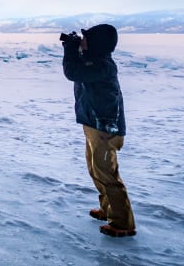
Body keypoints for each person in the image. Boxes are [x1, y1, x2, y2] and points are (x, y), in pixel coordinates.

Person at [61, 23, 136, 238]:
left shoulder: (103, 66)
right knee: (96, 170)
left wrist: (70, 50)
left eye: (86, 38)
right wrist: (77, 49)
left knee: (107, 173)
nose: (83, 41)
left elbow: (72, 72)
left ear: (97, 43)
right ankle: (108, 209)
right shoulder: (95, 61)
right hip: (95, 124)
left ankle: (123, 223)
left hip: (105, 127)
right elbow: (78, 69)